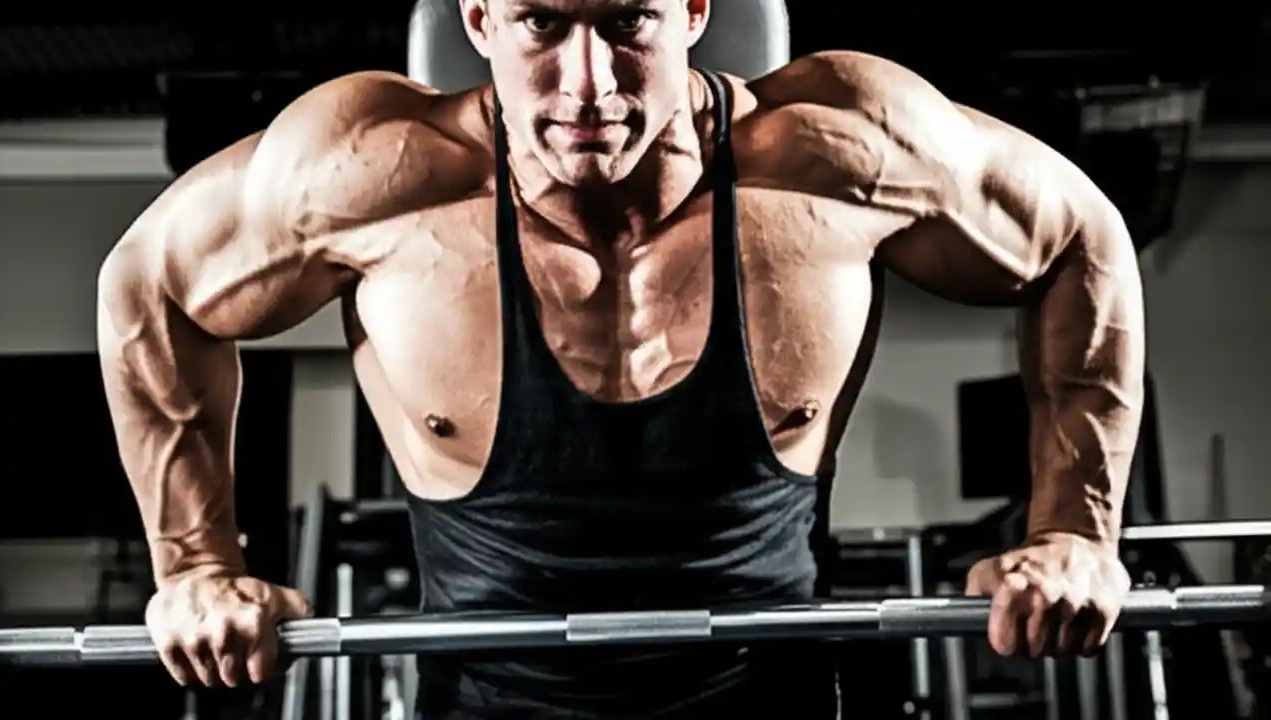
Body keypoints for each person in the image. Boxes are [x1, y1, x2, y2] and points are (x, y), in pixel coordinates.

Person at [95, 0, 1144, 716]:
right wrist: (197, 569)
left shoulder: (835, 151)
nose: (588, 82)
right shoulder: (375, 178)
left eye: (629, 21)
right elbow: (151, 283)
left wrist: (1072, 532)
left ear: (692, 13)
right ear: (479, 21)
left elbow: (1076, 239)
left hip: (767, 701)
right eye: (543, 24)